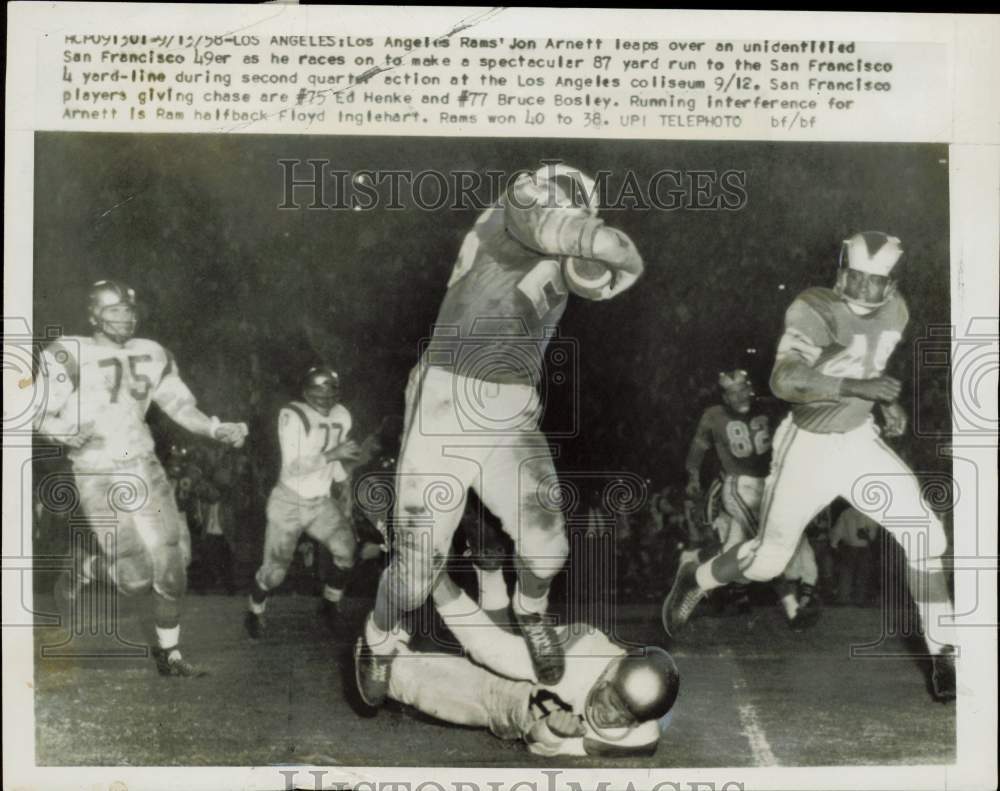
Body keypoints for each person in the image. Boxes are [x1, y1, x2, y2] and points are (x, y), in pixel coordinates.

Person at [356, 162, 645, 705]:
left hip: (511, 407)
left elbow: (594, 276)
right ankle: (377, 637)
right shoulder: (520, 202)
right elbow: (596, 245)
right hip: (448, 396)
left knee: (548, 547)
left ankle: (530, 613)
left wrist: (607, 264)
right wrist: (619, 252)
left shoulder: (560, 247)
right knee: (416, 569)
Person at [663, 232, 957, 701]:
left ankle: (945, 651)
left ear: (892, 284)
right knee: (767, 562)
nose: (862, 291)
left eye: (874, 282)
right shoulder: (813, 306)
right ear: (841, 272)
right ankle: (697, 575)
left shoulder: (897, 309)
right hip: (808, 446)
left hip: (859, 443)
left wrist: (879, 407)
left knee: (926, 535)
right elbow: (784, 380)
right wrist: (860, 391)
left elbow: (863, 367)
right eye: (855, 278)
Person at [34, 279, 248, 676]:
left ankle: (170, 654)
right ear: (94, 313)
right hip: (96, 469)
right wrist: (64, 432)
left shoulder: (151, 352)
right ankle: (85, 568)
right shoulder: (68, 352)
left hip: (142, 464)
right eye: (114, 309)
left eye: (129, 310)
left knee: (173, 563)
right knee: (134, 580)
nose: (124, 317)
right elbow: (36, 411)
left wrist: (216, 428)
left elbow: (181, 405)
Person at [384, 575, 679, 757]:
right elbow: (487, 647)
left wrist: (552, 733)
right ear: (607, 676)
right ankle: (471, 574)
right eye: (613, 701)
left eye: (625, 717)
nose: (609, 716)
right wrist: (434, 577)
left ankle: (488, 570)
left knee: (396, 676)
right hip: (529, 677)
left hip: (518, 710)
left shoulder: (638, 737)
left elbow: (540, 748)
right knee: (394, 672)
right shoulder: (577, 655)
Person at [683, 369, 820, 629]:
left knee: (732, 551)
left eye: (741, 389)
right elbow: (697, 451)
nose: (738, 396)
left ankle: (692, 560)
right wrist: (693, 477)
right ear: (724, 397)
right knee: (765, 541)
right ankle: (793, 609)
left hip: (767, 484)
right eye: (731, 393)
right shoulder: (713, 415)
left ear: (750, 387)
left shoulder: (769, 407)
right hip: (739, 484)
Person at [245, 366, 362, 638]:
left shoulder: (342, 414)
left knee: (346, 552)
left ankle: (329, 604)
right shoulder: (292, 414)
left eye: (330, 391)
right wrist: (334, 454)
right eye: (318, 391)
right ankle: (254, 610)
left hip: (320, 502)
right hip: (289, 501)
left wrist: (344, 483)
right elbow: (294, 467)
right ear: (306, 392)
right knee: (274, 574)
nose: (324, 397)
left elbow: (337, 460)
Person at [830, 506, 879, 606]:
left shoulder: (846, 512)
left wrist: (833, 544)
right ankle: (859, 599)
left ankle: (843, 598)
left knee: (846, 573)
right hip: (863, 547)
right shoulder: (869, 512)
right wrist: (870, 538)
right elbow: (873, 529)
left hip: (850, 546)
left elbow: (838, 529)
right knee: (861, 573)